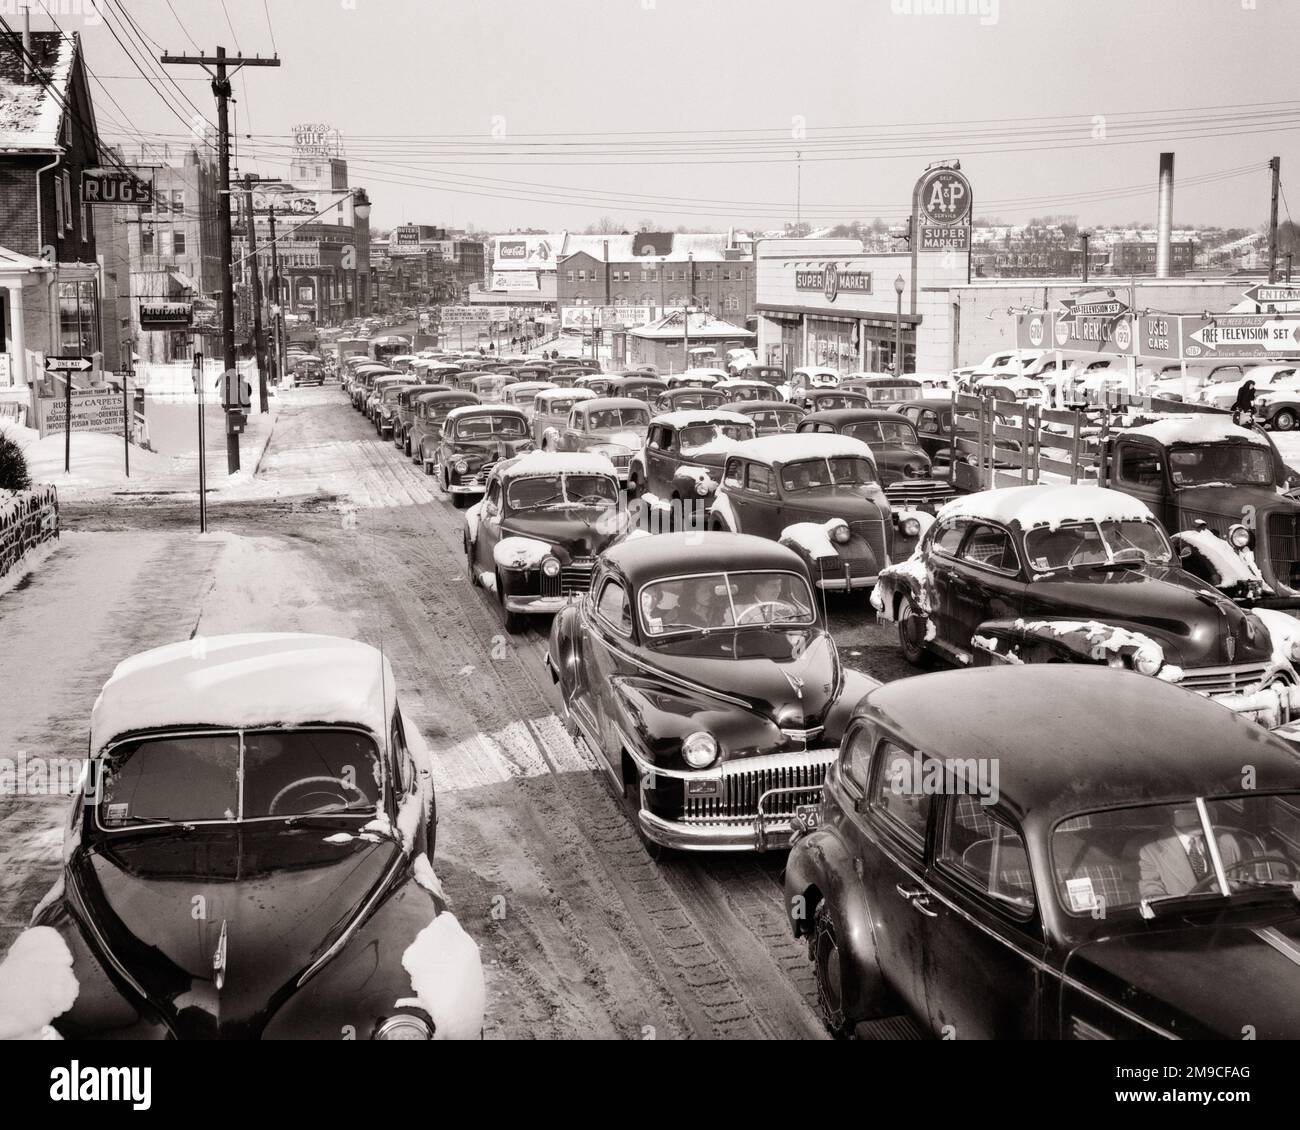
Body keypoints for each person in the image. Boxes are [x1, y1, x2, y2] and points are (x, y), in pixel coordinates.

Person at [1138, 806, 1242, 900]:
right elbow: (1153, 896)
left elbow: (1241, 880)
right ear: (1171, 810)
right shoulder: (1150, 851)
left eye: (1207, 804)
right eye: (1191, 805)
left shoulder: (1227, 840)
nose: (1205, 811)